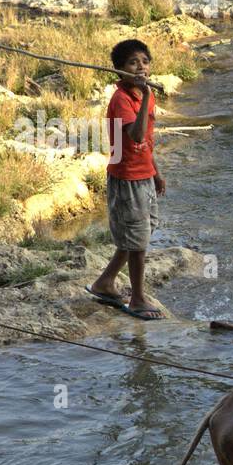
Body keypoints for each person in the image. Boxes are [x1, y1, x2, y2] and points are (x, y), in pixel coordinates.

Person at [85, 38, 166, 320]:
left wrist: (155, 171)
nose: (141, 66)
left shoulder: (146, 95)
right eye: (133, 62)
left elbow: (147, 143)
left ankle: (104, 283)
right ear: (120, 71)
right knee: (137, 241)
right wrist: (143, 99)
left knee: (138, 235)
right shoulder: (122, 100)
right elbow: (136, 135)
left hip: (143, 175)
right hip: (127, 178)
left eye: (145, 61)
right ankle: (138, 299)